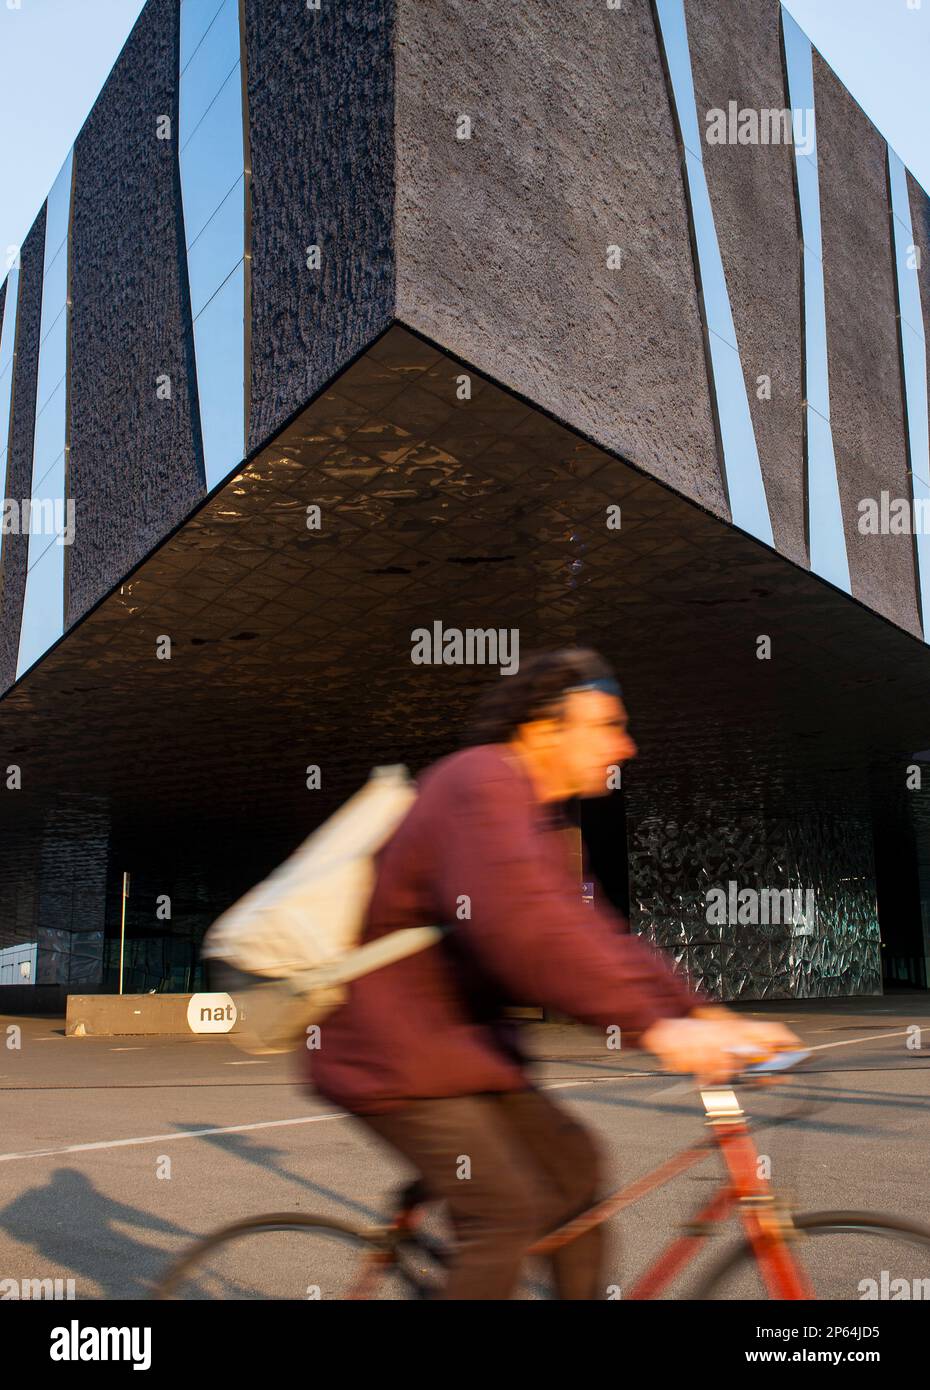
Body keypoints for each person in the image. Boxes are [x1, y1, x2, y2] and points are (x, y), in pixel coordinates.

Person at [304, 648, 802, 1298]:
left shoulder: (542, 816)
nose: (626, 746)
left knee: (573, 1172)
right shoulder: (478, 784)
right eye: (607, 726)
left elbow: (591, 935)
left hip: (460, 1054)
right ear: (544, 728)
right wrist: (657, 1029)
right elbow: (523, 931)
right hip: (390, 1057)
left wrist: (701, 1013)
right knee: (503, 1215)